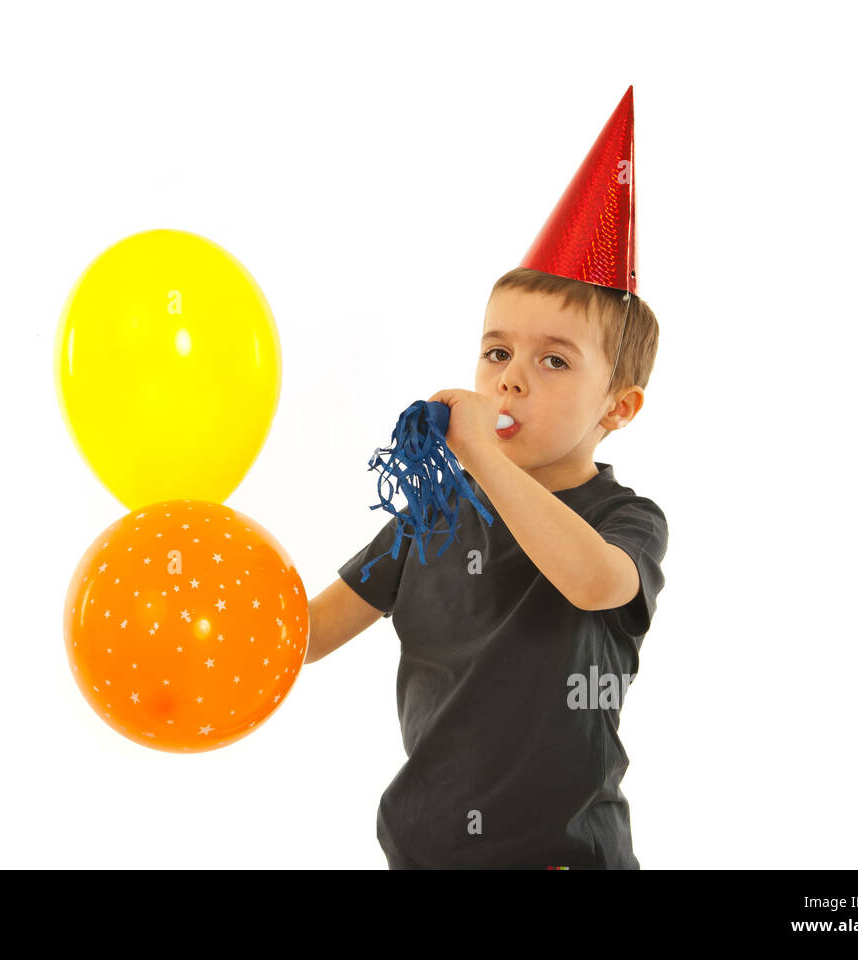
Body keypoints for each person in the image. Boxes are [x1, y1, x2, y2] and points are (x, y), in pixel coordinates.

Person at [305, 87, 669, 868]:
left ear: (620, 407)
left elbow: (596, 584)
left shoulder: (624, 520)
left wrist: (482, 462)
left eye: (554, 360)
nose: (510, 380)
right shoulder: (430, 515)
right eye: (497, 352)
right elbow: (303, 636)